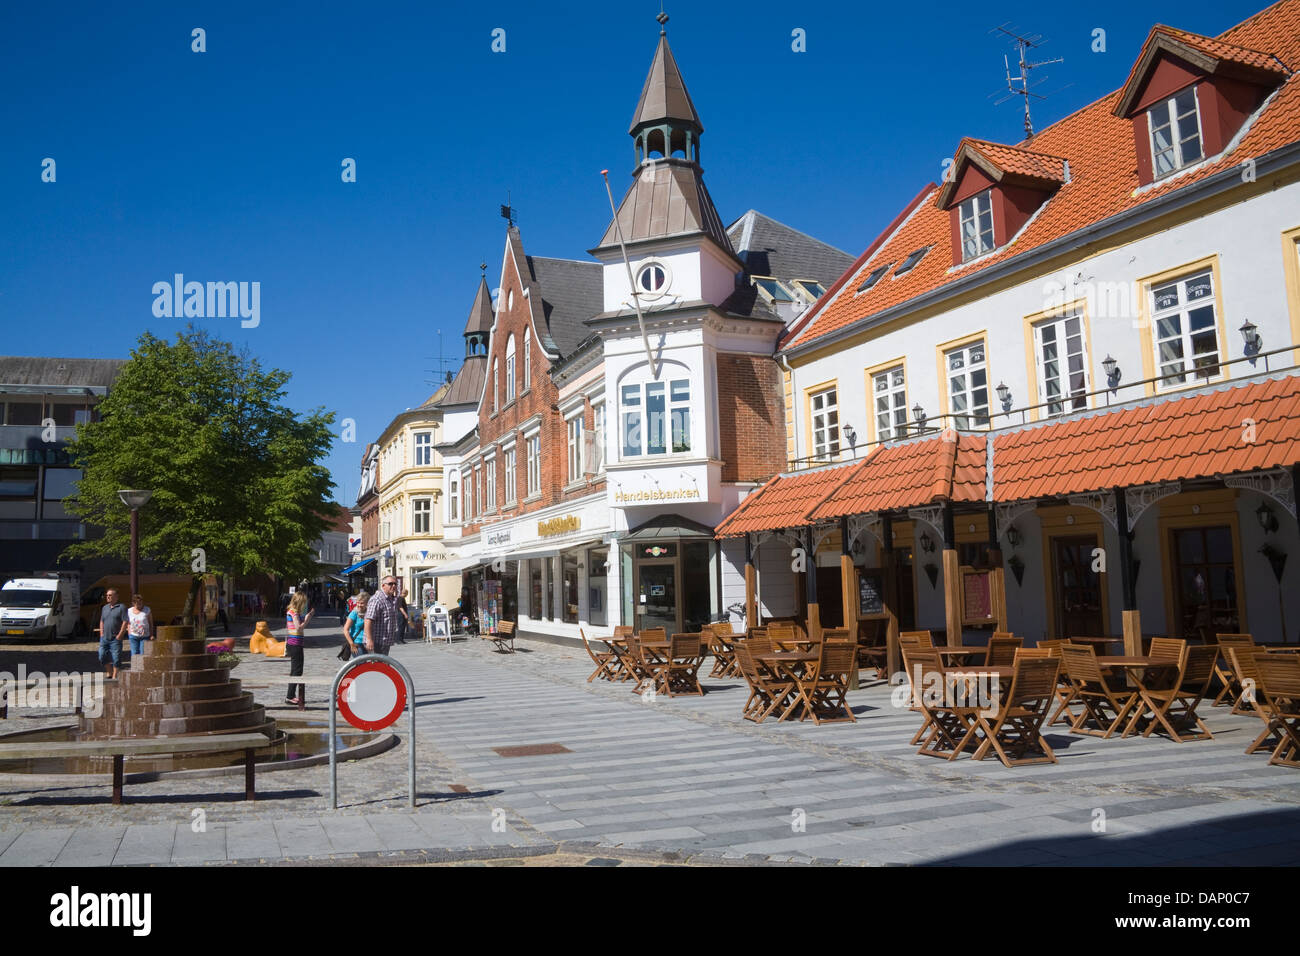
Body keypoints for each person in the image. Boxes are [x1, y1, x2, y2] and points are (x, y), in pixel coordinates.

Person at [285, 591, 316, 706]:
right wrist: (307, 619)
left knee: (296, 670)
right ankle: (290, 696)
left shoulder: (293, 612)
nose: (304, 605)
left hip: (295, 643)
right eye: (303, 603)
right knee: (297, 670)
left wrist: (308, 615)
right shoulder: (293, 612)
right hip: (295, 644)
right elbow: (299, 628)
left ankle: (290, 695)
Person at [364, 576, 403, 656]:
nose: (394, 586)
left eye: (395, 584)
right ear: (383, 586)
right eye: (390, 584)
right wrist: (369, 639)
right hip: (376, 642)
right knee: (376, 666)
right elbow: (368, 621)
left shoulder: (391, 599)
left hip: (385, 642)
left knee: (382, 666)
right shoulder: (377, 600)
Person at [97, 589, 129, 680]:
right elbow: (101, 621)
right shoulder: (105, 608)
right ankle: (109, 671)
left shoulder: (121, 607)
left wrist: (120, 635)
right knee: (101, 656)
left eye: (110, 595)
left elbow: (125, 621)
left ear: (116, 597)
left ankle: (114, 676)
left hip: (115, 638)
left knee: (116, 658)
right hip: (104, 638)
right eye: (107, 595)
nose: (108, 597)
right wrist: (101, 633)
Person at [125, 594, 154, 667]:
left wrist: (151, 634)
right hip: (133, 636)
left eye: (141, 603)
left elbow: (150, 623)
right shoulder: (129, 611)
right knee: (134, 653)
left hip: (145, 636)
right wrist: (129, 632)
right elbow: (128, 623)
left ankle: (142, 668)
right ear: (133, 603)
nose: (140, 605)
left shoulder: (147, 610)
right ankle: (135, 667)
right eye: (137, 603)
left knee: (142, 653)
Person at [342, 591, 368, 659]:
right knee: (361, 663)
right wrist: (351, 644)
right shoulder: (354, 613)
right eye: (358, 602)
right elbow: (345, 630)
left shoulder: (369, 613)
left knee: (366, 665)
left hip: (367, 643)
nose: (359, 605)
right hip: (356, 643)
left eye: (362, 603)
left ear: (367, 603)